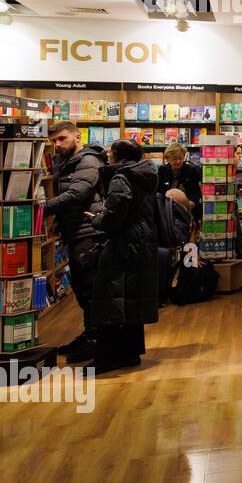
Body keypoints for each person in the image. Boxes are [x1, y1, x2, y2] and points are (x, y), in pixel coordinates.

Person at [84, 139, 160, 374]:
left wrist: (96, 218)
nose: (107, 155)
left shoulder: (121, 177)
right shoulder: (145, 175)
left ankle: (108, 358)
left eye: (110, 152)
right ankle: (130, 352)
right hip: (142, 242)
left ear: (119, 156)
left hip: (123, 244)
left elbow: (115, 214)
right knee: (132, 300)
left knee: (112, 298)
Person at [44, 122, 108, 362]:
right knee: (83, 289)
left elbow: (77, 194)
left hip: (88, 233)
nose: (57, 144)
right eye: (54, 141)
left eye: (62, 138)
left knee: (90, 289)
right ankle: (90, 335)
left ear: (77, 137)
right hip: (76, 232)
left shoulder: (88, 161)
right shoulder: (68, 162)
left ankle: (96, 340)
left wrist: (41, 208)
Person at [156, 188, 197, 305]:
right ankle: (187, 287)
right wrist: (193, 259)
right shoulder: (188, 220)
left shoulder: (162, 214)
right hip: (179, 249)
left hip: (170, 249)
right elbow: (190, 244)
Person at [157, 143, 202, 222]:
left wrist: (192, 203)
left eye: (180, 158)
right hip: (167, 211)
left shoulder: (192, 170)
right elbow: (159, 192)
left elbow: (197, 192)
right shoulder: (162, 170)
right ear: (167, 159)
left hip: (188, 210)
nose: (178, 161)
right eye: (174, 159)